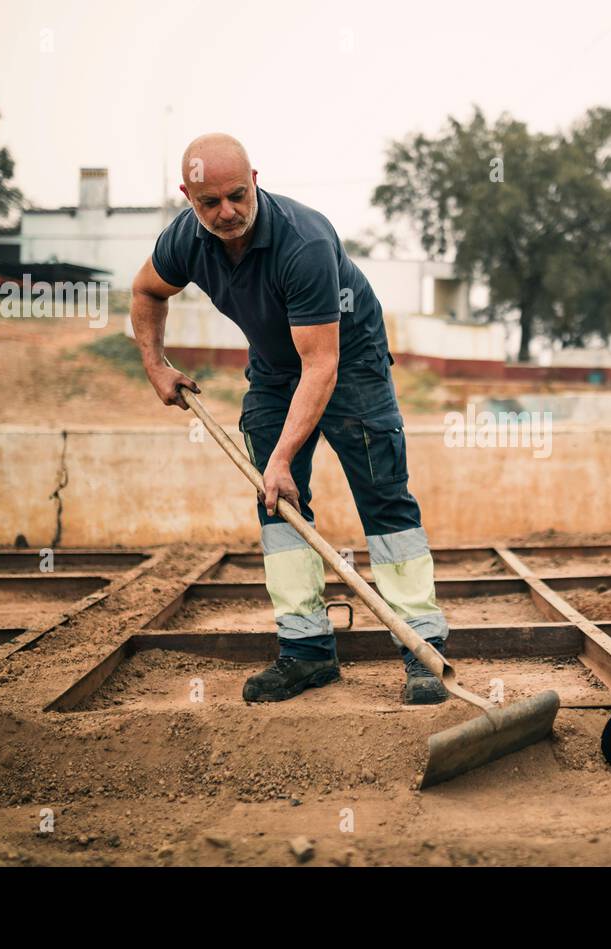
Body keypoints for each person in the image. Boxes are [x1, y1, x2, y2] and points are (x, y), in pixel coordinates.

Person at [130, 132, 449, 705]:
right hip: (276, 371)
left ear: (255, 180)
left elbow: (322, 366)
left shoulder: (302, 240)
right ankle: (306, 653)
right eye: (209, 203)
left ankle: (423, 650)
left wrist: (278, 458)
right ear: (188, 197)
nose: (226, 212)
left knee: (384, 498)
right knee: (278, 504)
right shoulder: (184, 239)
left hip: (349, 362)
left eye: (236, 195)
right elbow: (146, 291)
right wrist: (156, 364)